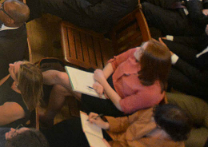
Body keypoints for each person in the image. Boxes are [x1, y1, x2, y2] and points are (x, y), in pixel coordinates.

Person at [42, 41, 170, 122]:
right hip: (104, 80)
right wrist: (100, 80)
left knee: (60, 77)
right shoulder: (137, 54)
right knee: (60, 88)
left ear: (149, 63)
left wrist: (102, 82)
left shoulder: (152, 92)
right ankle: (47, 118)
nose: (137, 48)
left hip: (111, 104)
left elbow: (122, 106)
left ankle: (27, 78)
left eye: (141, 50)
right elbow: (114, 62)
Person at [44, 104, 191, 147]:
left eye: (156, 123)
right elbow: (126, 122)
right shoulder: (155, 113)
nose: (152, 120)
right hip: (112, 137)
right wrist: (105, 124)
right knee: (72, 127)